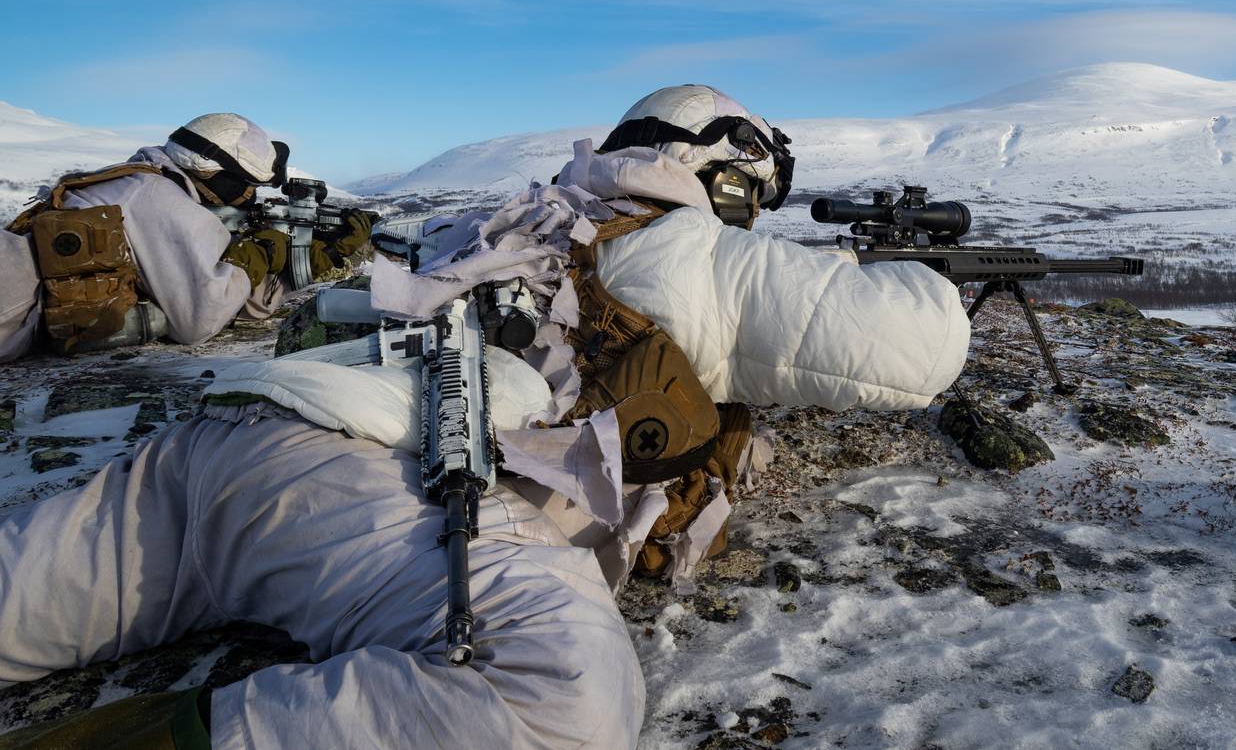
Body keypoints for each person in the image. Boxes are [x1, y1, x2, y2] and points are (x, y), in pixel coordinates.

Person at [0, 86, 970, 748]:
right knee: (558, 698)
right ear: (728, 168)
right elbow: (917, 350)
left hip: (217, 452)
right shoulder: (687, 246)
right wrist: (900, 272)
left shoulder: (485, 223)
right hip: (374, 488)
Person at [0, 113, 372, 362]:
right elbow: (199, 320)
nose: (250, 198)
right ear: (215, 174)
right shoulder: (156, 198)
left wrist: (300, 263)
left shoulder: (149, 182)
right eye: (248, 187)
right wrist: (253, 255)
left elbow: (235, 303)